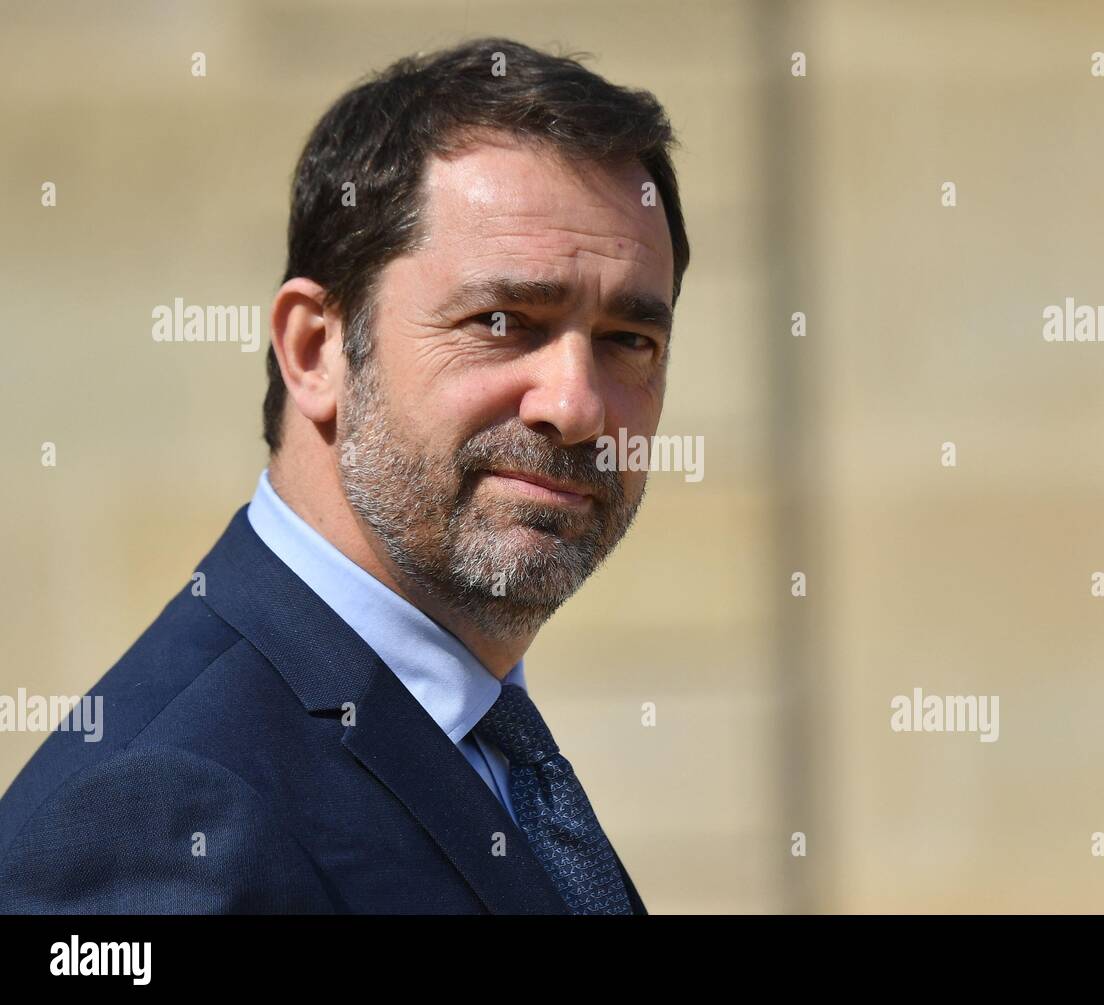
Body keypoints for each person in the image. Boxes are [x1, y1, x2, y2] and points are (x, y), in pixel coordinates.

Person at [0, 36, 690, 914]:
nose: (578, 405)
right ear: (315, 349)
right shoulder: (164, 821)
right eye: (502, 319)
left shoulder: (488, 741)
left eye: (630, 341)